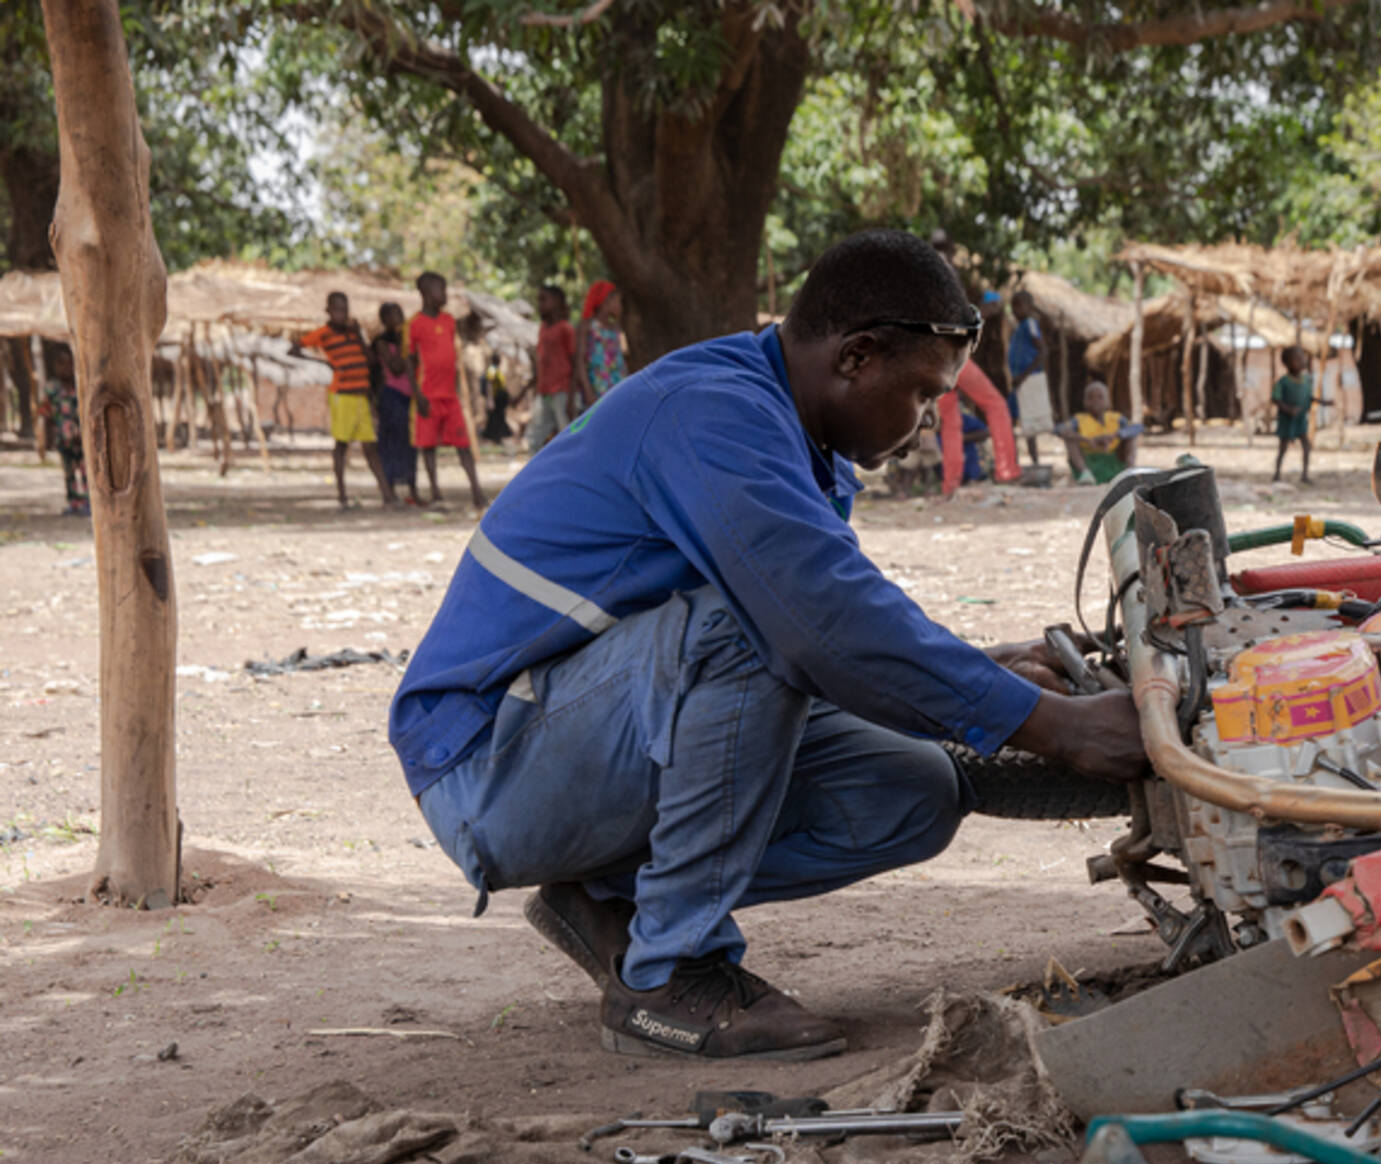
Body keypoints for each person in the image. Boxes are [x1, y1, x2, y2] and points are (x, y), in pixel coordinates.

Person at [390, 230, 1146, 1061]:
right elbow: (814, 624)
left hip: (568, 737)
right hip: (484, 767)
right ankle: (669, 978)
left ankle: (610, 900)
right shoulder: (714, 415)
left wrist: (980, 671)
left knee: (918, 789)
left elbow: (825, 639)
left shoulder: (792, 434)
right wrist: (1058, 726)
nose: (929, 422)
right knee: (756, 628)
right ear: (857, 356)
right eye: (925, 395)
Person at [292, 291, 390, 510]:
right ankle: (342, 496)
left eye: (345, 309)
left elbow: (372, 360)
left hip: (361, 395)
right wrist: (323, 363)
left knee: (370, 446)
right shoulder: (323, 334)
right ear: (328, 310)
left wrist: (360, 336)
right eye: (337, 309)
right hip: (342, 395)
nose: (342, 314)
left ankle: (387, 495)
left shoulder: (354, 333)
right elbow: (294, 349)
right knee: (342, 445)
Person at [407, 271, 486, 510]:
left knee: (463, 444)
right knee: (428, 445)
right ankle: (436, 493)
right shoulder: (415, 324)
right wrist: (417, 395)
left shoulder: (449, 321)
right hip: (428, 395)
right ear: (426, 293)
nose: (445, 294)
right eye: (440, 289)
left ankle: (477, 492)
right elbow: (410, 361)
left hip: (450, 396)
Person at [936, 358, 1015, 497]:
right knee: (996, 405)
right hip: (953, 355)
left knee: (949, 424)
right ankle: (1006, 471)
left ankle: (951, 484)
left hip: (935, 367)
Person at [371, 303, 422, 507]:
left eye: (400, 314)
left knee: (411, 444)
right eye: (393, 315)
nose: (398, 318)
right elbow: (396, 368)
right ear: (384, 320)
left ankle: (412, 490)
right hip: (391, 396)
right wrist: (407, 350)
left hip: (410, 397)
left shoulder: (409, 340)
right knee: (391, 443)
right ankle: (390, 491)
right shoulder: (382, 342)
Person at [1054, 380, 1141, 483]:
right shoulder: (1079, 420)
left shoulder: (1115, 418)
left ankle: (1129, 471)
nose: (1095, 401)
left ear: (1108, 401)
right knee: (1069, 437)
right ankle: (1085, 473)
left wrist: (1116, 435)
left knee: (1131, 436)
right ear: (1085, 401)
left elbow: (1138, 427)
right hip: (1089, 459)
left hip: (1114, 459)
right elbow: (1058, 430)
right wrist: (1086, 440)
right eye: (1090, 397)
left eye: (1100, 397)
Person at [525, 285, 576, 454]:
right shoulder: (543, 329)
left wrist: (571, 397)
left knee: (568, 435)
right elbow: (541, 363)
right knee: (535, 437)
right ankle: (535, 476)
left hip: (562, 391)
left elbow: (575, 363)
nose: (539, 305)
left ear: (556, 302)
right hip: (544, 392)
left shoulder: (565, 329)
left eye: (543, 300)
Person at [40, 344, 87, 517]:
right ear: (55, 366)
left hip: (84, 438)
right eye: (61, 363)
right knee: (69, 472)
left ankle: (88, 502)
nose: (66, 367)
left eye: (69, 363)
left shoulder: (82, 385)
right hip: (63, 438)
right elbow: (47, 414)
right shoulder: (52, 388)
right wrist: (47, 438)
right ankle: (74, 503)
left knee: (86, 470)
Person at [1270, 345, 1325, 483]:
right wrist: (1288, 409)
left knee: (1306, 445)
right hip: (1287, 420)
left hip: (1300, 420)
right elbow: (1275, 399)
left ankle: (1305, 475)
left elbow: (1309, 397)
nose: (1302, 361)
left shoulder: (1306, 380)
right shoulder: (1283, 382)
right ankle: (1277, 473)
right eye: (1297, 359)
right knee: (1283, 448)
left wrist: (1323, 402)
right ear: (1287, 363)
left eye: (1302, 358)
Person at [575, 280, 626, 410]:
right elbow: (580, 361)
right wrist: (588, 392)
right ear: (607, 302)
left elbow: (622, 359)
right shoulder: (587, 327)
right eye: (618, 302)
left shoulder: (616, 329)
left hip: (618, 386)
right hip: (597, 389)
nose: (621, 306)